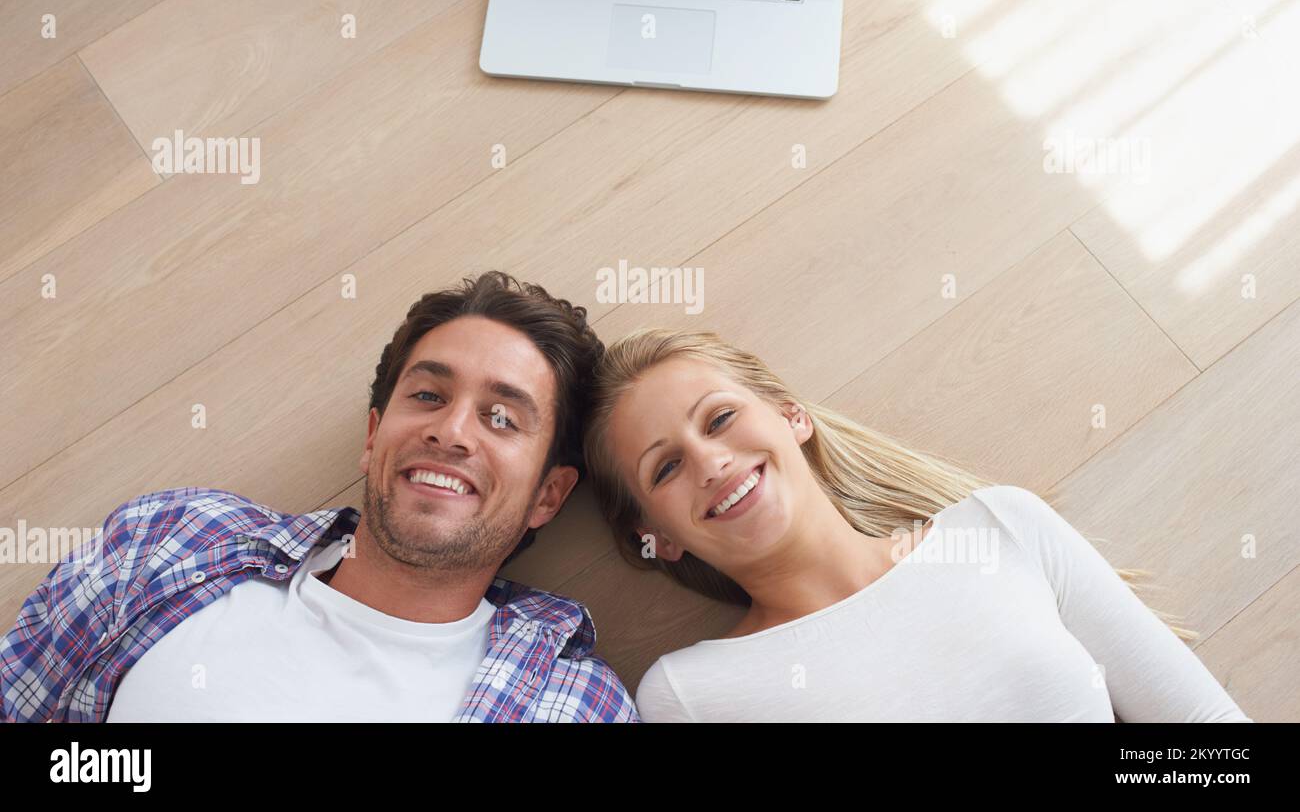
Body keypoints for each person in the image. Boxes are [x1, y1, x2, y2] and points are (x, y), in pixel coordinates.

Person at [0, 272, 638, 722]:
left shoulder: (573, 707)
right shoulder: (171, 539)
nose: (450, 430)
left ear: (548, 496)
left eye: (501, 417)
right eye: (427, 396)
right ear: (373, 436)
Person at [580, 327, 1251, 722]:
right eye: (665, 467)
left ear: (792, 416)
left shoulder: (1000, 526)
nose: (711, 461)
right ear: (657, 535)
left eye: (720, 418)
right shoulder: (690, 695)